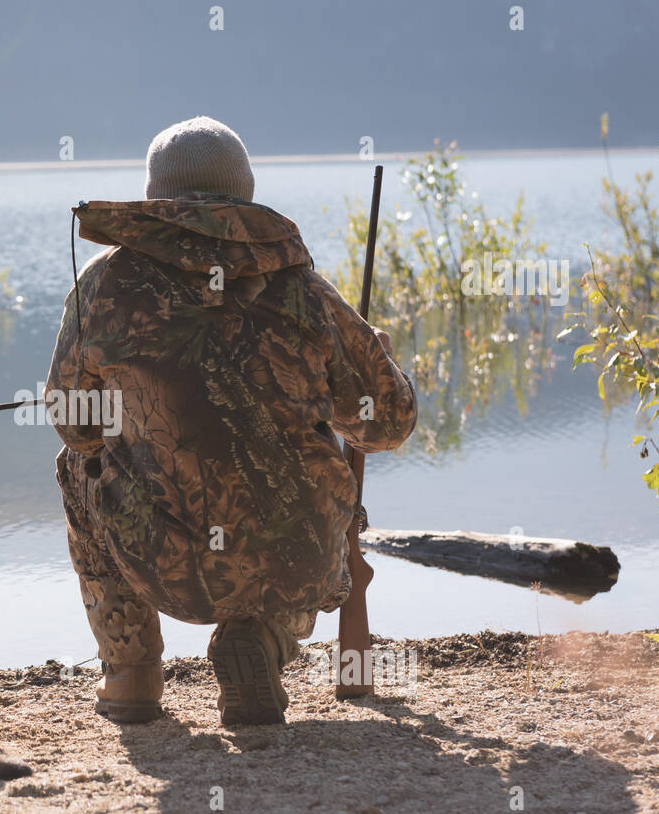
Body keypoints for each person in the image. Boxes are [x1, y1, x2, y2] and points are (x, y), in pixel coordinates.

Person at [46, 116, 418, 725]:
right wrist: (373, 350)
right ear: (245, 193)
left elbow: (73, 425)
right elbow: (390, 424)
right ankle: (265, 638)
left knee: (76, 469)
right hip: (297, 565)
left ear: (154, 197)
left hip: (161, 566)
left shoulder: (105, 285)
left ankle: (132, 670)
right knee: (306, 509)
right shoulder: (306, 291)